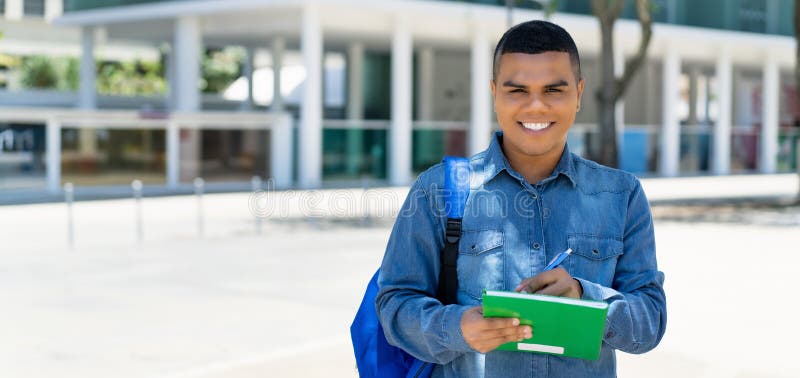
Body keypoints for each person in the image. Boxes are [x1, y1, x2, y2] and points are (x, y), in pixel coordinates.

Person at [375, 20, 667, 377]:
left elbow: (650, 321)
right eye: (517, 91)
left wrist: (585, 296)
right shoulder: (436, 190)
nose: (536, 107)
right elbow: (394, 304)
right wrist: (456, 327)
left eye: (553, 90)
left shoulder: (621, 195)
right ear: (495, 93)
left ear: (578, 93)